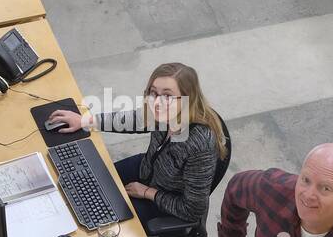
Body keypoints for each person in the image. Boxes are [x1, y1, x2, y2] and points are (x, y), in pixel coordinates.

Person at [47, 63, 228, 226]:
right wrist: (84, 121)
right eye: (153, 93)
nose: (156, 102)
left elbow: (192, 210)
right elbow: (133, 120)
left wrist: (147, 192)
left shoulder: (200, 144)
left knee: (103, 219)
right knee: (83, 182)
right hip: (148, 170)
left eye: (168, 96)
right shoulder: (165, 113)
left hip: (167, 202)